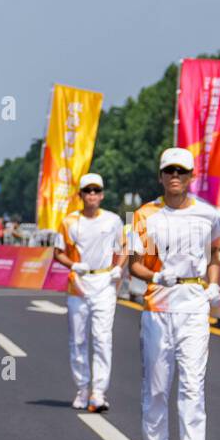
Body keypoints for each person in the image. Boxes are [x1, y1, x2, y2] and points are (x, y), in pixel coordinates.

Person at [128, 147, 220, 440]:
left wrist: (213, 284)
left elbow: (214, 253)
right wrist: (155, 278)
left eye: (181, 171)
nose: (175, 177)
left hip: (195, 308)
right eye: (169, 171)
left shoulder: (209, 214)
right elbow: (133, 264)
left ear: (191, 176)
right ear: (161, 176)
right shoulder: (142, 215)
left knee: (192, 386)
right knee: (156, 386)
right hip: (158, 308)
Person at [53, 173, 125, 412]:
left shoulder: (114, 221)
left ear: (102, 194)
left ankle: (98, 392)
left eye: (96, 190)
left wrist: (118, 268)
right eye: (88, 191)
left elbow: (125, 247)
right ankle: (82, 388)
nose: (92, 195)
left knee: (103, 339)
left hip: (104, 283)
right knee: (78, 339)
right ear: (80, 195)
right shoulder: (69, 222)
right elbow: (57, 252)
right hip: (79, 284)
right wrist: (73, 265)